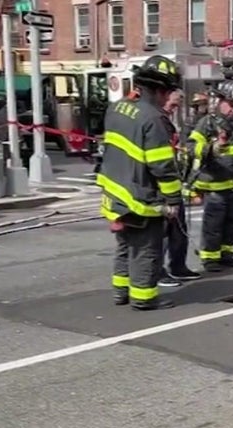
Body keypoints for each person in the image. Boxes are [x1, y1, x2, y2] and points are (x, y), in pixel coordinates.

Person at [97, 55, 185, 311]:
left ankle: (120, 292)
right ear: (159, 90)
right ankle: (144, 297)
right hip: (139, 196)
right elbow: (162, 166)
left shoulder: (116, 108)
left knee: (124, 245)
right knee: (146, 248)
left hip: (113, 192)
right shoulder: (154, 119)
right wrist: (173, 199)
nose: (168, 97)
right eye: (168, 91)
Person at [186, 80, 233, 273]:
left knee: (232, 222)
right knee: (213, 223)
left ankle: (226, 254)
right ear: (221, 101)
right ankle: (209, 258)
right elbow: (190, 148)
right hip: (214, 184)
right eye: (231, 105)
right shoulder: (207, 123)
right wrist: (211, 148)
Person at [156, 89, 201, 287]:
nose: (174, 109)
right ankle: (157, 271)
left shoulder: (166, 120)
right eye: (173, 105)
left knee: (179, 228)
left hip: (173, 182)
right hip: (160, 187)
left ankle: (178, 266)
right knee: (163, 231)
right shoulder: (155, 121)